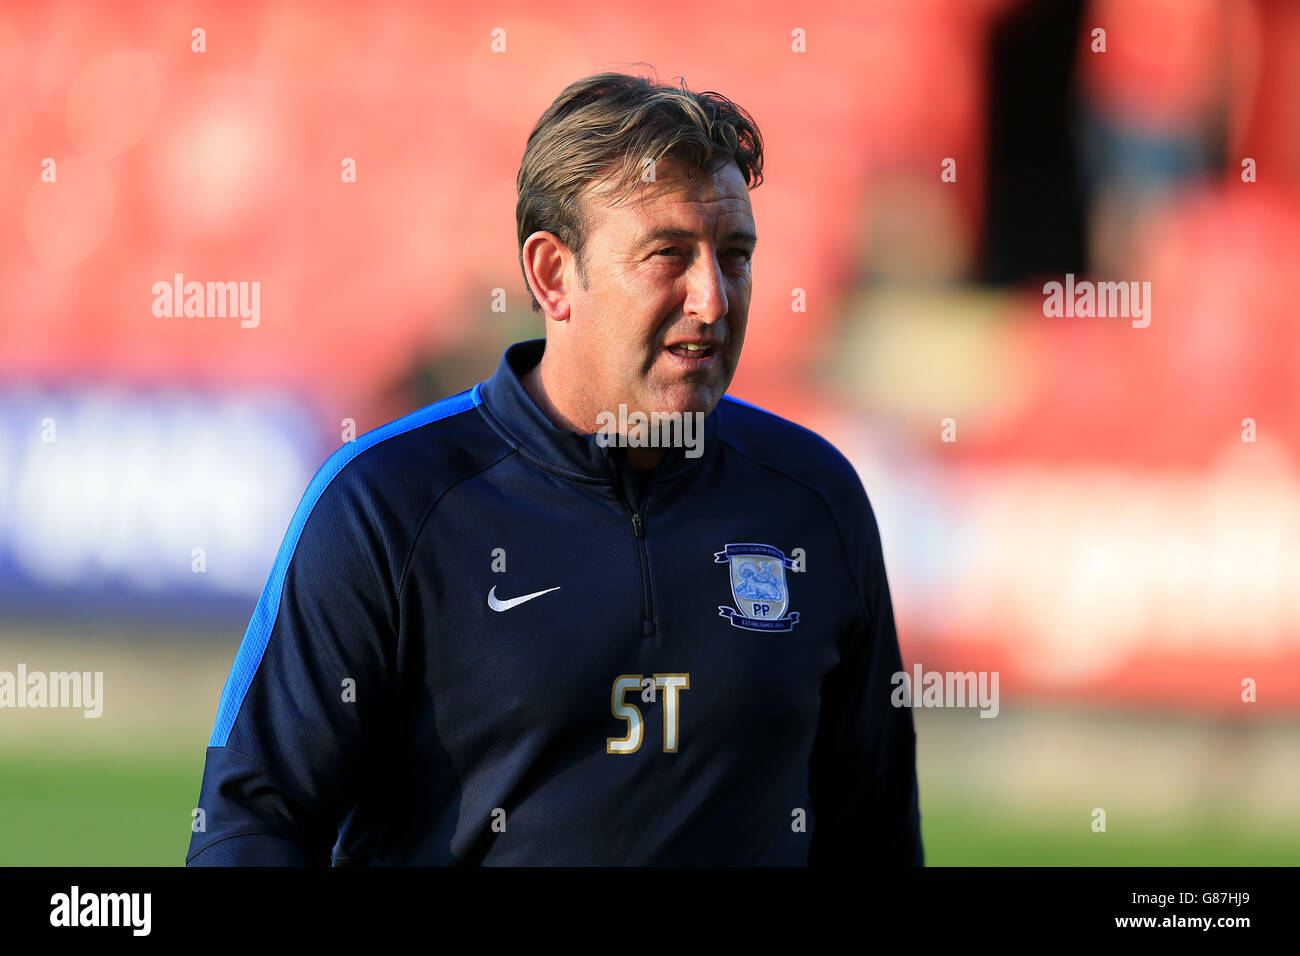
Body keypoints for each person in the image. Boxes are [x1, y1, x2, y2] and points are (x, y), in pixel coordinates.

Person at [186, 72, 922, 866]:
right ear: (550, 274)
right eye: (668, 255)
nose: (713, 298)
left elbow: (873, 834)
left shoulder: (813, 501)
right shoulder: (387, 505)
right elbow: (250, 826)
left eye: (735, 255)